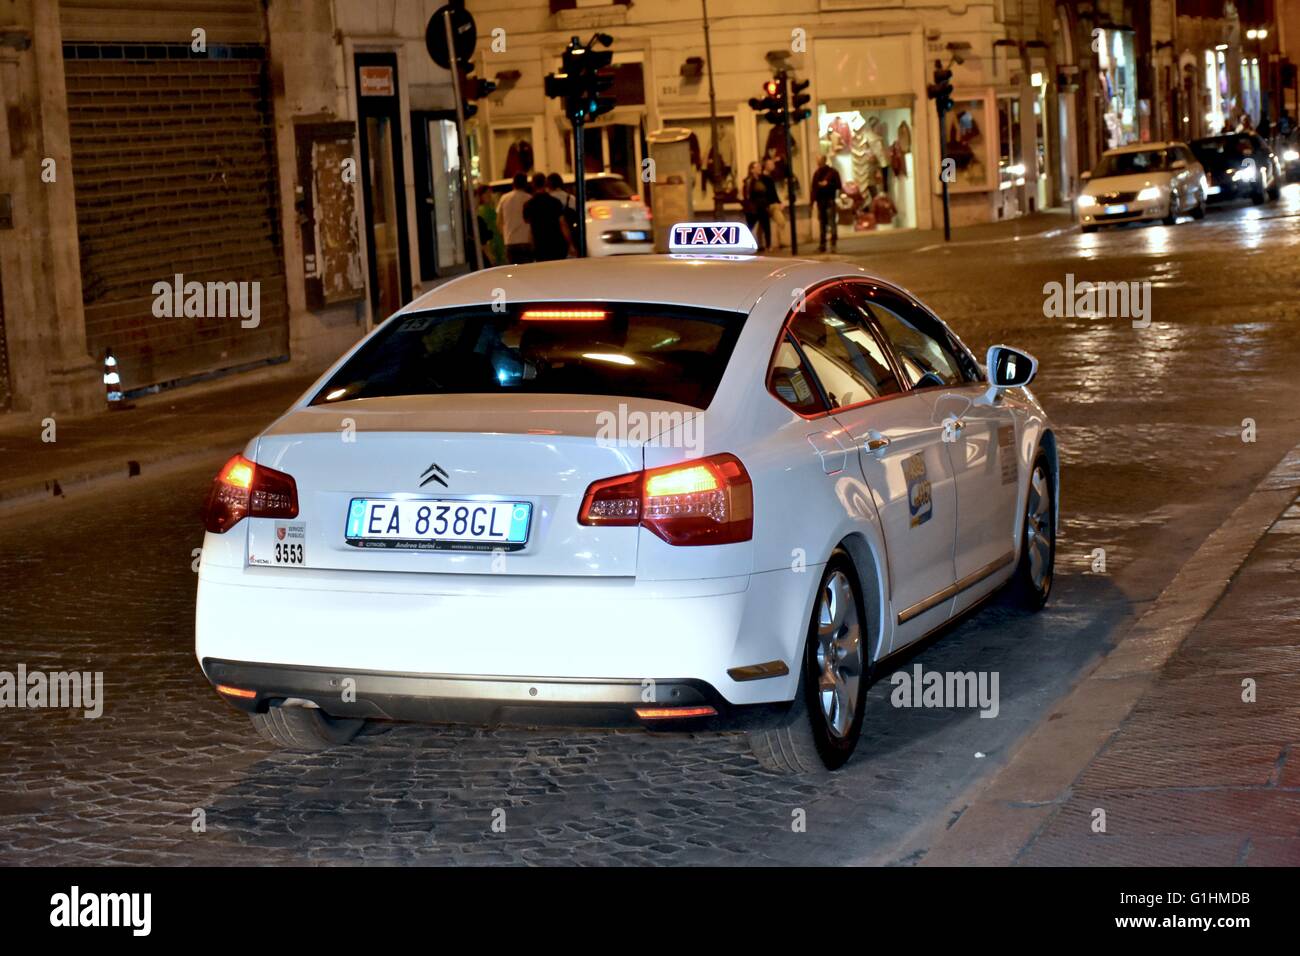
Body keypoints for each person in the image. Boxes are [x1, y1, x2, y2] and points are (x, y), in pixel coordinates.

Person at [524, 172, 573, 261]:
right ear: (545, 183)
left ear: (533, 185)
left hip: (540, 246)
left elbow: (528, 224)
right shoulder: (555, 202)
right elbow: (563, 224)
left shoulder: (529, 205)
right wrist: (570, 244)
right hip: (557, 244)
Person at [497, 173, 533, 264]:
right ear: (525, 184)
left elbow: (499, 221)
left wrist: (504, 235)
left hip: (510, 241)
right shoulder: (529, 198)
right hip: (526, 240)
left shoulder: (504, 198)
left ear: (513, 183)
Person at [810, 154, 842, 253]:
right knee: (822, 224)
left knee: (831, 222)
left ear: (823, 161)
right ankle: (823, 244)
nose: (818, 163)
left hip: (829, 200)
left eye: (819, 160)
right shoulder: (817, 173)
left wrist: (828, 184)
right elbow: (814, 188)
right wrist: (812, 202)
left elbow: (838, 185)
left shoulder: (832, 172)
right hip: (821, 201)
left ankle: (832, 244)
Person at [742, 161, 775, 251]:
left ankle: (768, 245)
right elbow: (747, 196)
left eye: (760, 167)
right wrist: (749, 207)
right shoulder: (749, 181)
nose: (760, 168)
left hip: (763, 206)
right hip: (754, 208)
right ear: (752, 170)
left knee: (766, 226)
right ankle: (746, 244)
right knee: (750, 227)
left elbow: (768, 191)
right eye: (757, 167)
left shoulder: (761, 179)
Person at [475, 185, 504, 266]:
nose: (489, 196)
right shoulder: (482, 210)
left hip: (495, 241)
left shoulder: (489, 208)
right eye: (486, 193)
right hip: (491, 243)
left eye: (490, 193)